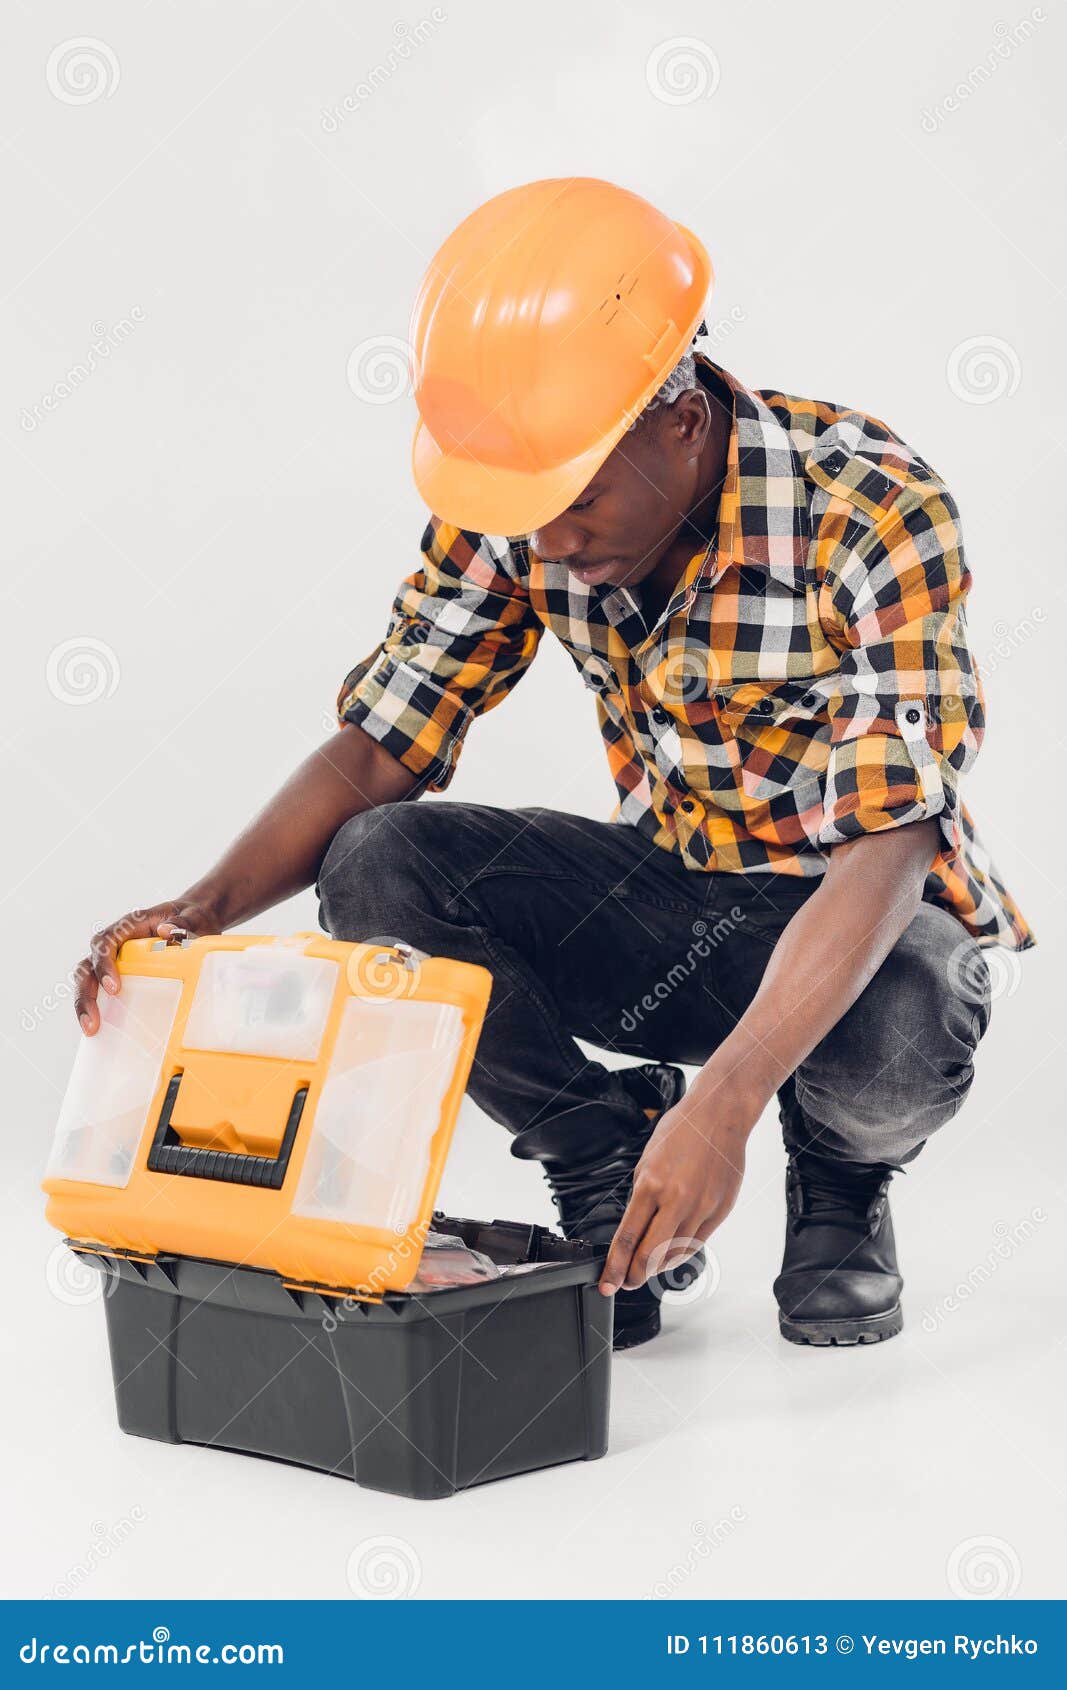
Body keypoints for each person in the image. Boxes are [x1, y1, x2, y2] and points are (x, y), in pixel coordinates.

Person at [73, 178, 1033, 1352]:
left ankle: (834, 1178)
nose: (546, 545)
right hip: (668, 895)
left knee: (913, 1007)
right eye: (524, 514)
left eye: (569, 505)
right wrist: (197, 910)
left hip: (856, 918)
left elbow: (892, 840)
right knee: (377, 861)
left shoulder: (869, 508)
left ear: (680, 423)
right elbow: (384, 742)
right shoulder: (522, 501)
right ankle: (603, 1158)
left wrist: (727, 1107)